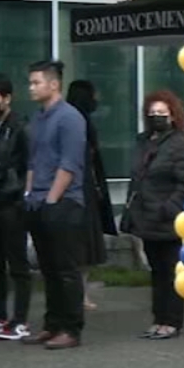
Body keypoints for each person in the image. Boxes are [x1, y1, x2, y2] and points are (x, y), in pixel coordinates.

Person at [23, 60, 91, 348]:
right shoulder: (38, 118)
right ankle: (52, 324)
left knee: (66, 270)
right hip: (37, 201)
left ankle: (71, 329)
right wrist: (29, 195)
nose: (31, 88)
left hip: (63, 203)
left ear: (54, 84)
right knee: (48, 269)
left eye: (36, 82)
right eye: (30, 83)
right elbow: (33, 161)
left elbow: (69, 164)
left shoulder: (70, 118)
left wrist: (51, 200)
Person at [123, 91, 184, 339]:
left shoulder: (180, 144)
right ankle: (159, 319)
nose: (156, 117)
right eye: (152, 113)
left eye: (162, 113)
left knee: (171, 272)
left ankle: (172, 321)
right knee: (156, 272)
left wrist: (167, 209)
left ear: (173, 116)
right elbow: (137, 178)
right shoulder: (143, 141)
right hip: (146, 216)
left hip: (168, 219)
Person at [0, 72, 32, 340]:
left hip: (12, 202)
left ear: (7, 98)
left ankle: (20, 318)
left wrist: (22, 193)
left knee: (18, 263)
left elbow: (28, 165)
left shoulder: (20, 126)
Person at [67, 80, 116, 310]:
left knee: (80, 249)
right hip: (83, 192)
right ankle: (80, 294)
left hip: (83, 191)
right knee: (83, 249)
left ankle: (79, 294)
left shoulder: (72, 119)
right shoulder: (79, 122)